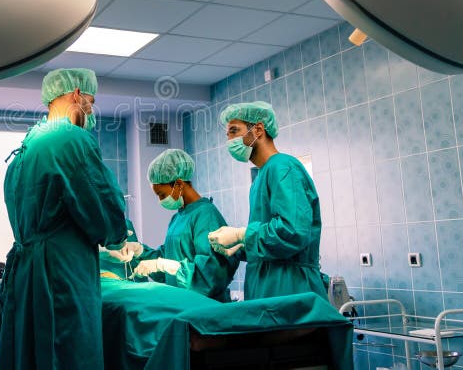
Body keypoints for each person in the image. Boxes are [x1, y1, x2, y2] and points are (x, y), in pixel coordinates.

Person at [0, 68, 128, 370]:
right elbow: (104, 211)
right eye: (90, 103)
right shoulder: (71, 140)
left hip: (26, 276)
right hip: (60, 275)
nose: (90, 113)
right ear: (77, 95)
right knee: (65, 355)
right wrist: (118, 238)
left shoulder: (25, 148)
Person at [207, 101, 328, 301]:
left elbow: (293, 231)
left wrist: (242, 235)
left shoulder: (283, 167)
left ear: (259, 130)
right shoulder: (260, 177)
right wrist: (242, 246)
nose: (229, 140)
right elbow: (269, 243)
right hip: (267, 288)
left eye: (234, 131)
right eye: (227, 135)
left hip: (291, 289)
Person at [131, 148, 238, 302]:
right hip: (182, 304)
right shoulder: (178, 217)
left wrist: (165, 265)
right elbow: (167, 260)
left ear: (179, 184)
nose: (161, 200)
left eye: (162, 194)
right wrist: (140, 252)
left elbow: (211, 274)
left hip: (204, 307)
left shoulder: (205, 215)